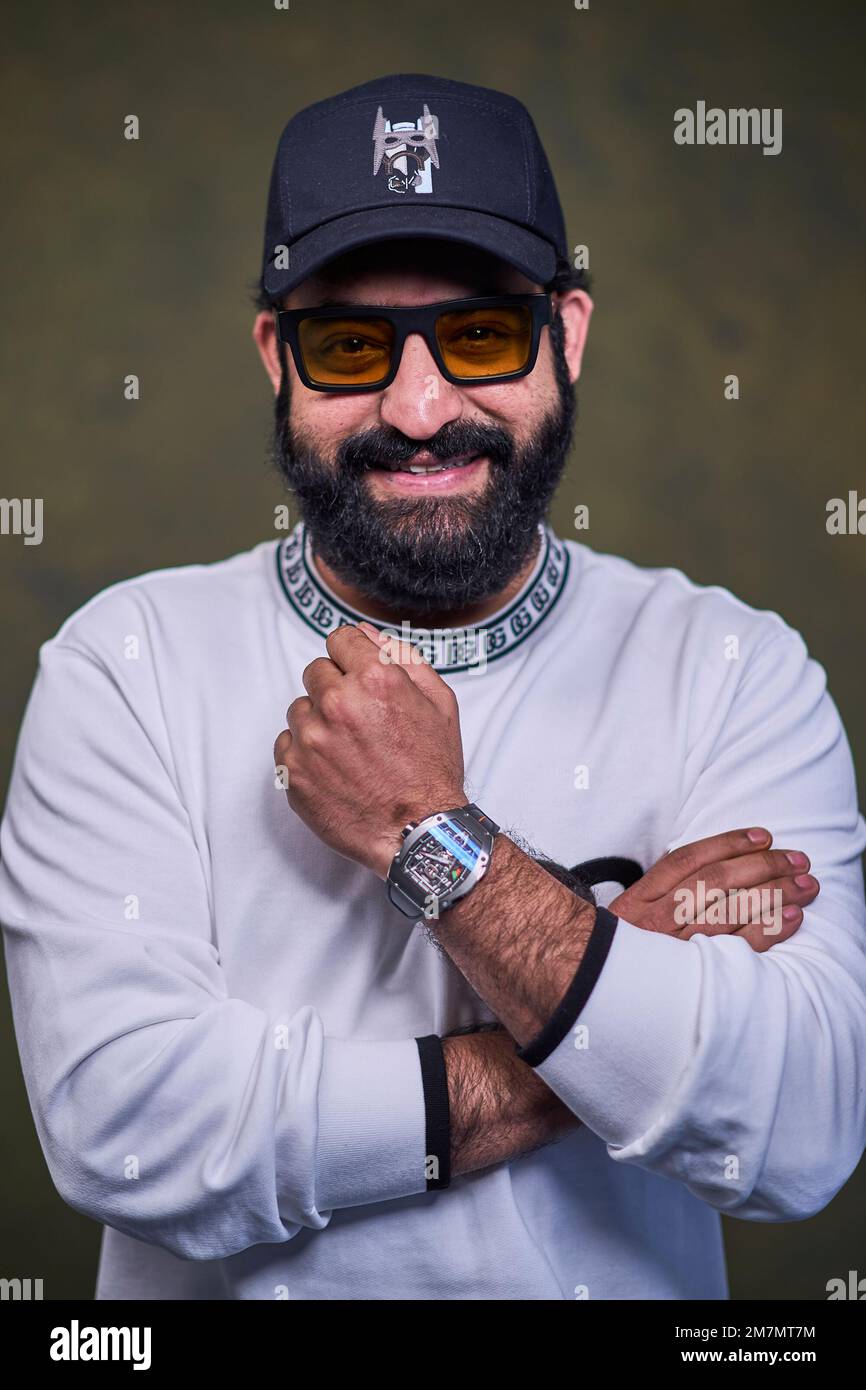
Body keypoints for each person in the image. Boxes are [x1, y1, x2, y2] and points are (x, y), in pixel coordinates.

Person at [1, 73, 864, 1302]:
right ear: (274, 356)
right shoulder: (125, 665)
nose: (417, 409)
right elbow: (125, 1129)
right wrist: (603, 992)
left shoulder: (730, 670)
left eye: (479, 336)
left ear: (565, 334)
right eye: (350, 345)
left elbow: (801, 1131)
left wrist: (434, 835)